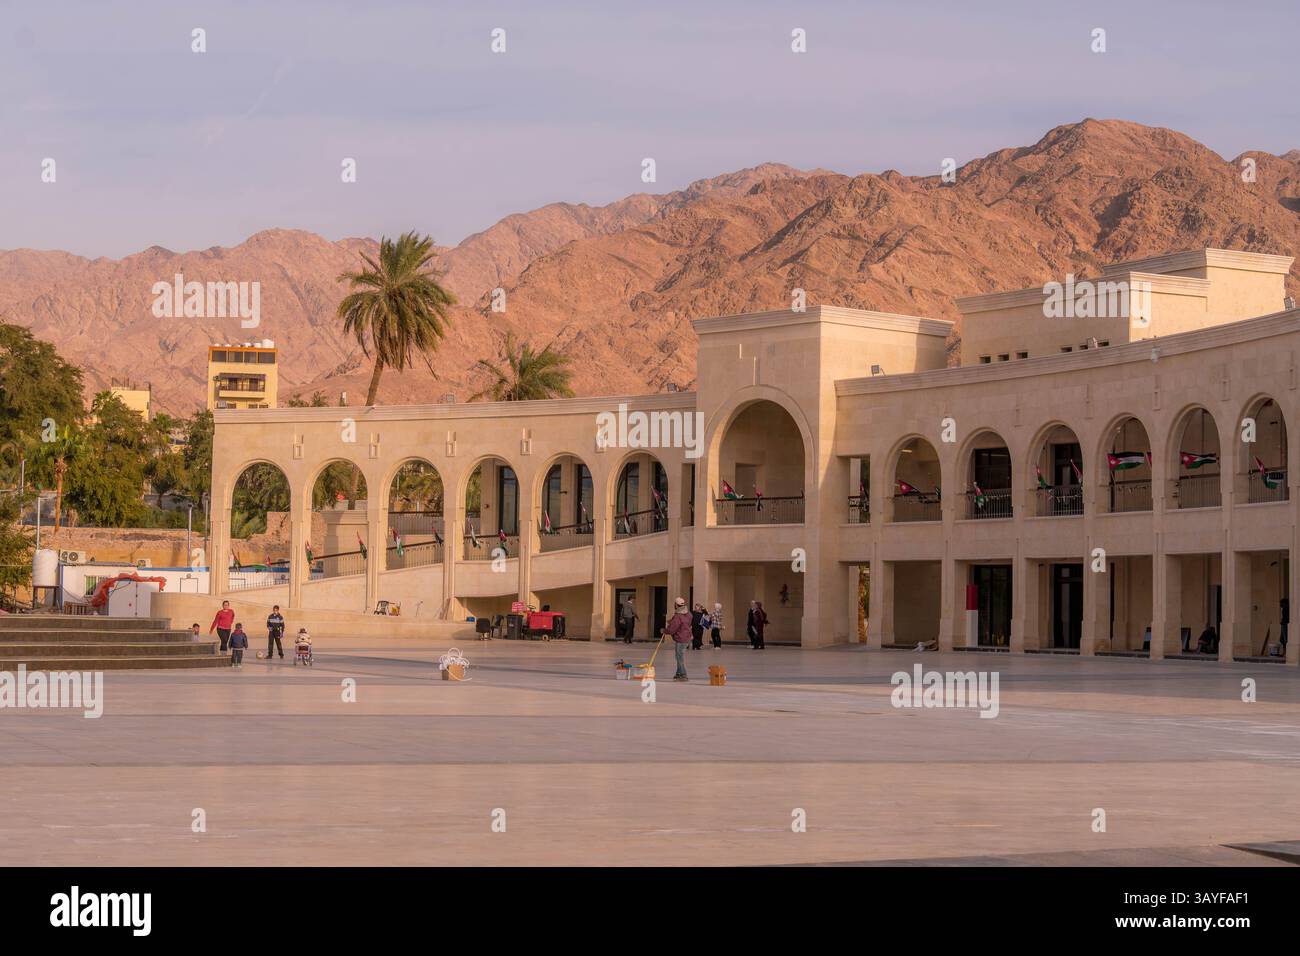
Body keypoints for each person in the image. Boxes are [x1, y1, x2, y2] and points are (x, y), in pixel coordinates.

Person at [664, 597, 693, 681]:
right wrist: (672, 621)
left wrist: (665, 631)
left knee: (679, 657)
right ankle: (678, 673)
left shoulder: (678, 615)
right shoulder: (688, 614)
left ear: (676, 605)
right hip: (687, 637)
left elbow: (673, 628)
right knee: (679, 656)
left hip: (681, 638)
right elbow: (684, 623)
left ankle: (683, 674)